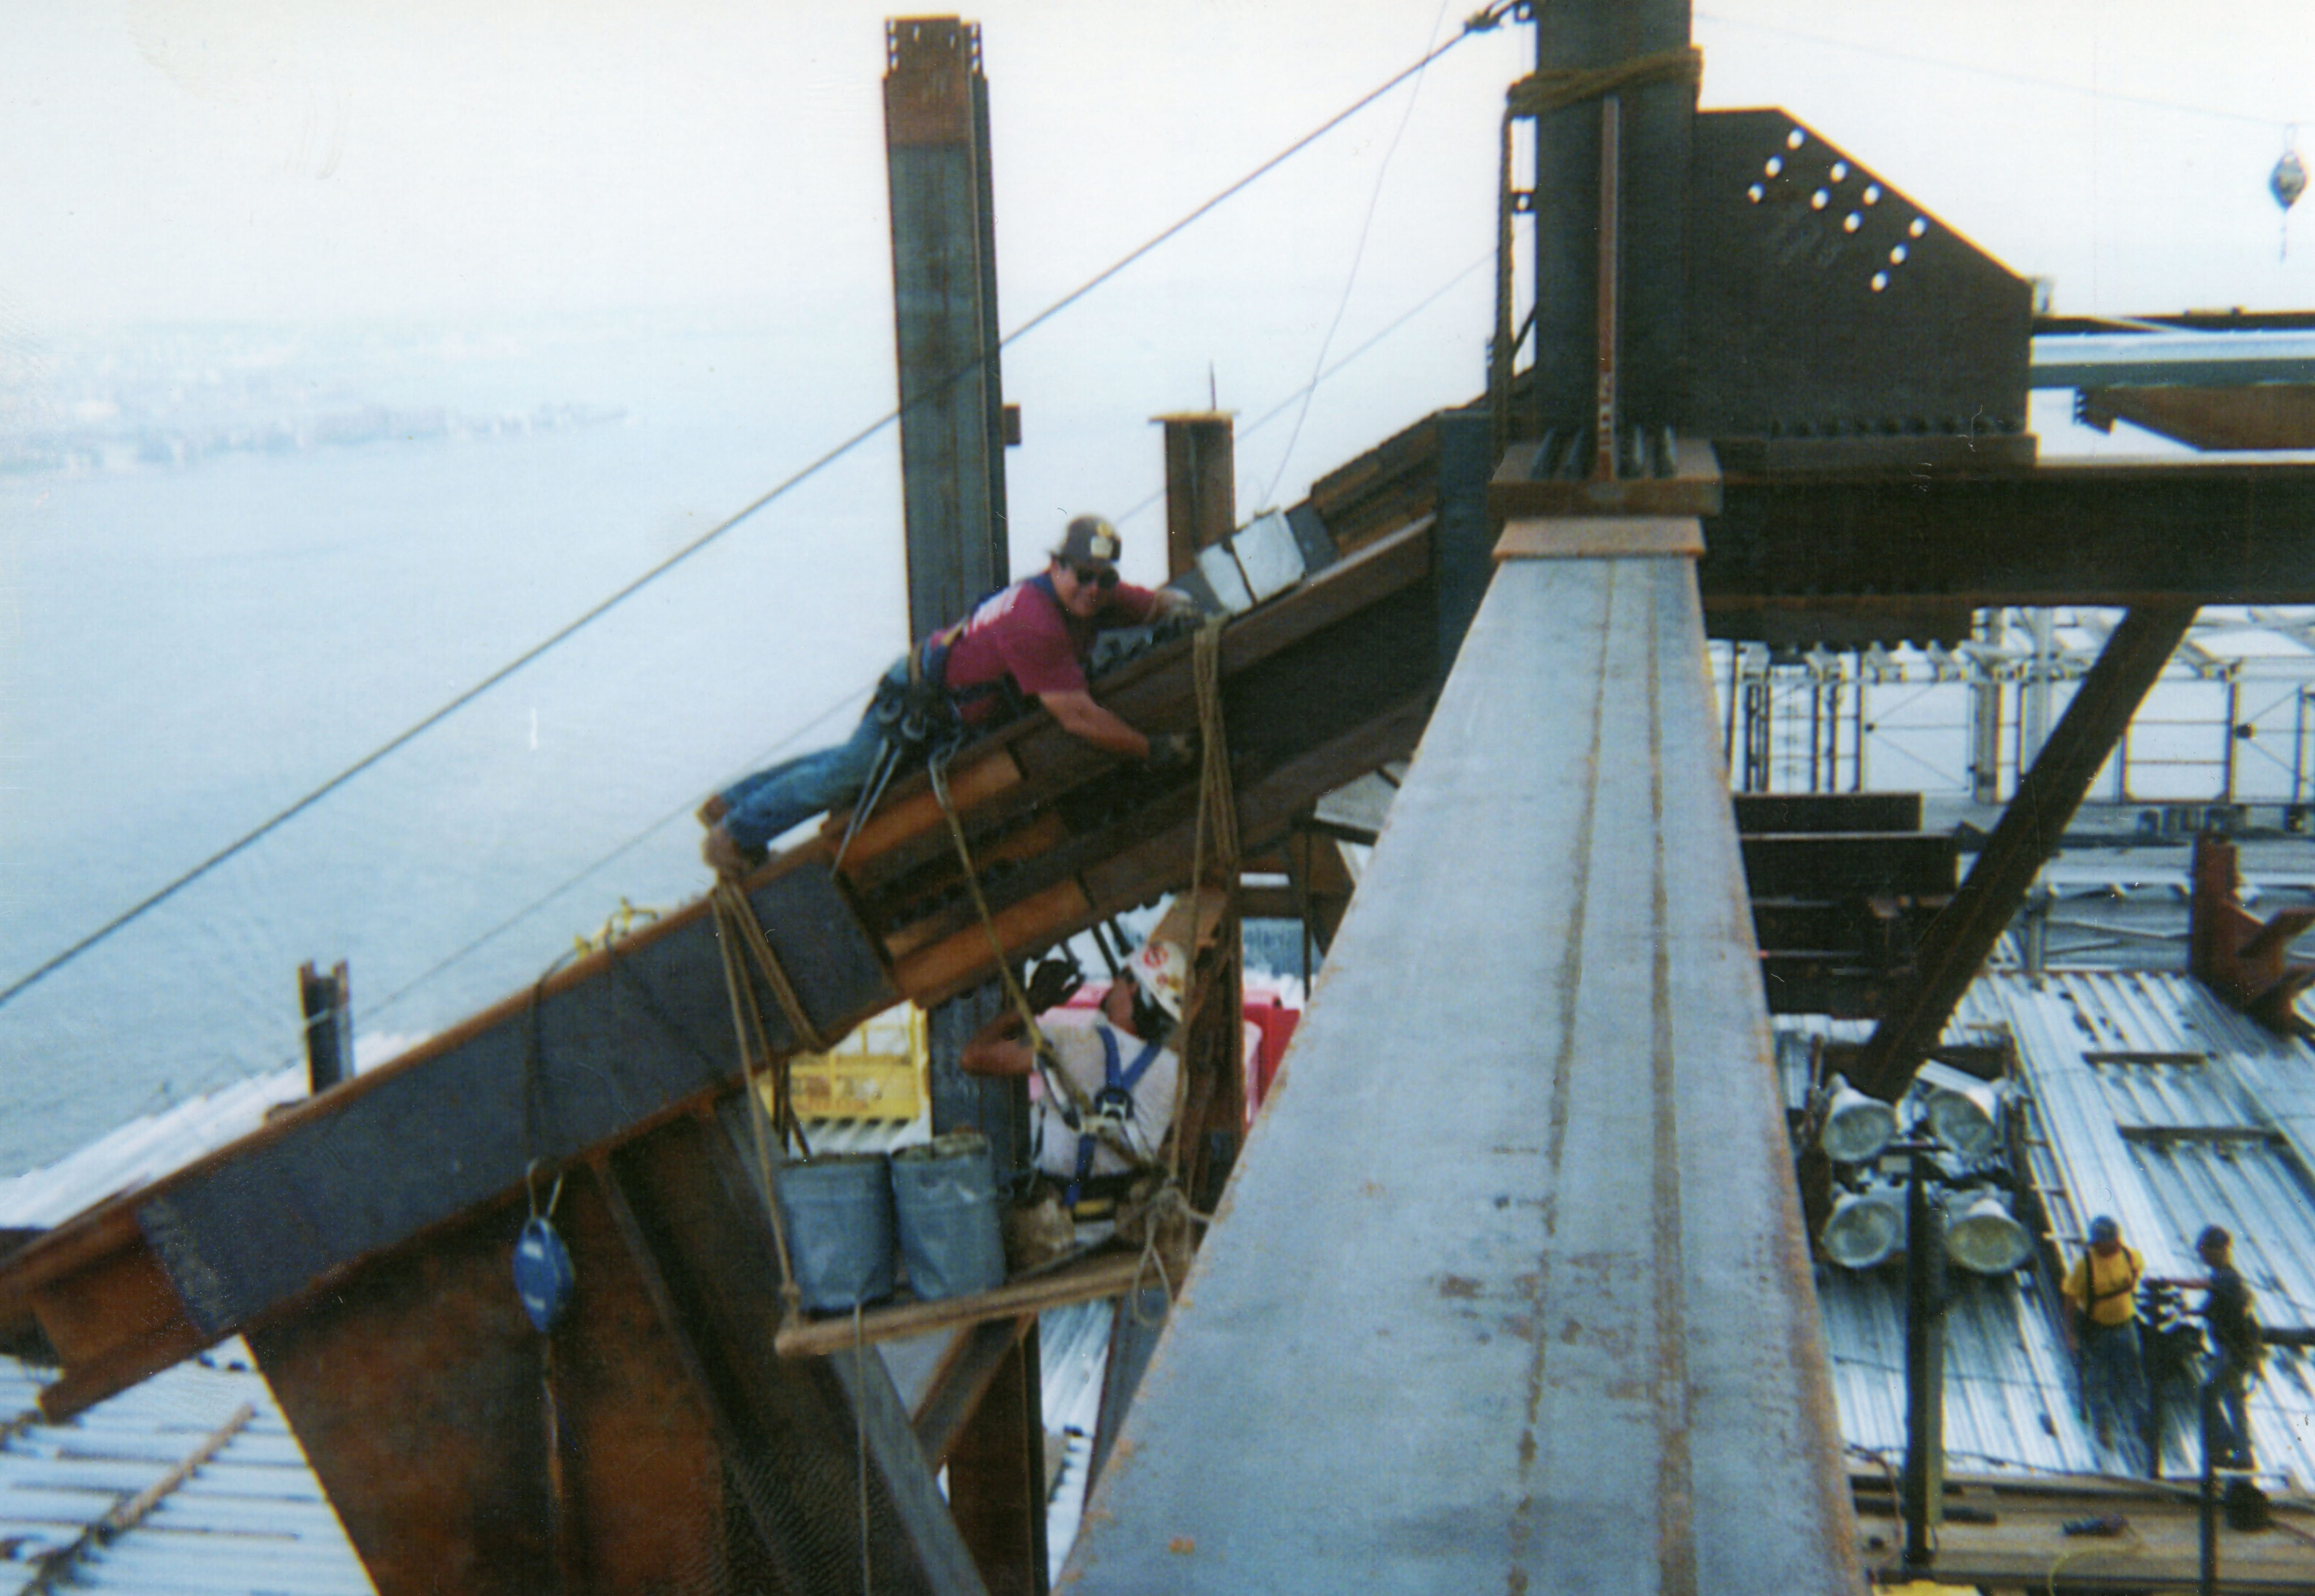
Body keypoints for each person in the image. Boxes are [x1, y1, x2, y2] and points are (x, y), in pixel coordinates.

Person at [701, 514, 1198, 875]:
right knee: (849, 775)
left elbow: (1155, 605)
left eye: (1104, 579)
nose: (1093, 590)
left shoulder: (1096, 600)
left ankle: (731, 802)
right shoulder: (1037, 623)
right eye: (1082, 576)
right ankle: (736, 836)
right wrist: (1149, 749)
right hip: (921, 700)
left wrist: (1183, 609)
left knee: (848, 761)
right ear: (1056, 566)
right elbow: (1077, 717)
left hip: (937, 691)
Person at [960, 931, 1187, 1209]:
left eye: (1121, 975)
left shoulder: (1067, 1043)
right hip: (1127, 1225)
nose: (1113, 983)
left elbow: (973, 1057)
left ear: (1132, 987)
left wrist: (1031, 1005)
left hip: (1059, 1224)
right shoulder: (1176, 1072)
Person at [2061, 1215, 2149, 1453]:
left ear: (2115, 1240)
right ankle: (2103, 1429)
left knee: (2135, 1377)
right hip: (2097, 1329)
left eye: (2103, 1241)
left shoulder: (2131, 1257)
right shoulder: (2085, 1265)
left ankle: (2143, 1426)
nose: (2098, 1245)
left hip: (2126, 1325)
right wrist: (2071, 1334)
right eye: (2097, 1241)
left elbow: (2137, 1275)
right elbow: (2070, 1299)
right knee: (2097, 1379)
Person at [2179, 1224, 2263, 1469]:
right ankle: (2244, 1456)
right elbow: (2211, 1304)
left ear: (2218, 1250)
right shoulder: (2224, 1276)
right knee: (2234, 1401)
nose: (2202, 1256)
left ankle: (2224, 1447)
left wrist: (2169, 1281)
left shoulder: (2226, 1277)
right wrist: (2191, 1310)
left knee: (2208, 1393)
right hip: (2236, 1351)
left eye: (2205, 1251)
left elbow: (2206, 1287)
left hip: (2232, 1352)